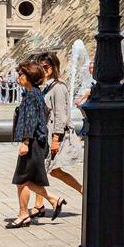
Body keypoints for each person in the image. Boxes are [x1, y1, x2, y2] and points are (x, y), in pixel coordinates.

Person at [6, 61, 62, 229]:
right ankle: (31, 210)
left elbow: (31, 121)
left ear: (29, 77)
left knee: (22, 179)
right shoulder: (34, 93)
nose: (19, 77)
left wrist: (25, 142)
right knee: (24, 179)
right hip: (37, 142)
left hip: (33, 143)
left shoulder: (31, 96)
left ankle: (45, 203)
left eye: (21, 75)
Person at [31, 51, 78, 217]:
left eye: (46, 67)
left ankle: (85, 193)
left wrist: (56, 139)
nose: (43, 70)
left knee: (49, 171)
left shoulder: (58, 87)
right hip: (46, 134)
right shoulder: (48, 86)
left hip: (55, 136)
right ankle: (39, 205)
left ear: (54, 67)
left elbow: (60, 115)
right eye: (40, 67)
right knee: (45, 170)